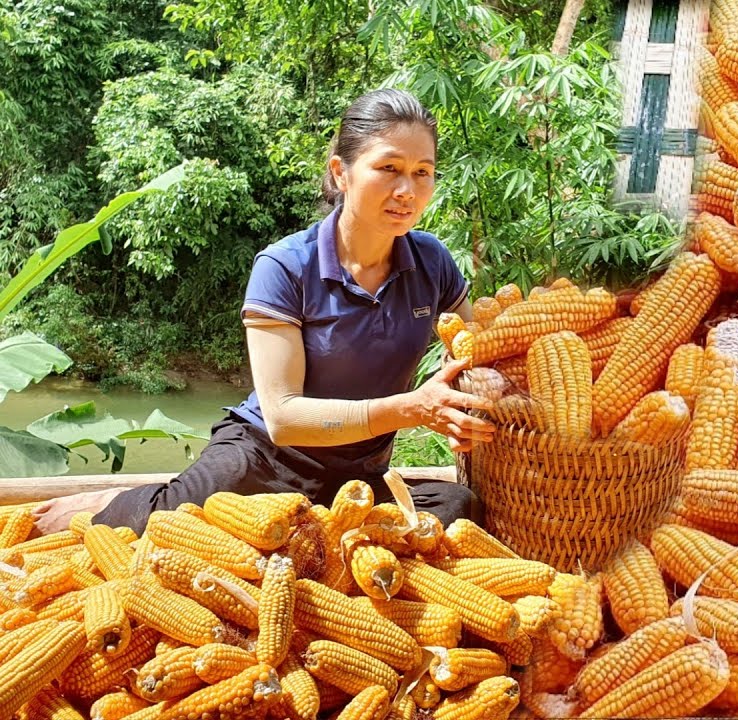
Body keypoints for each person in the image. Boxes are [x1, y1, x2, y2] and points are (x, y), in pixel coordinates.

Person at [33, 89, 496, 536]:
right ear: (341, 172)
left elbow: (480, 351)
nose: (407, 190)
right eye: (388, 168)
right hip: (264, 459)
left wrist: (468, 405)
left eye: (422, 172)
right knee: (169, 520)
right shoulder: (286, 265)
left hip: (357, 475)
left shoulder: (431, 261)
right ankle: (110, 502)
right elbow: (283, 417)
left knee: (458, 507)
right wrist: (410, 409)